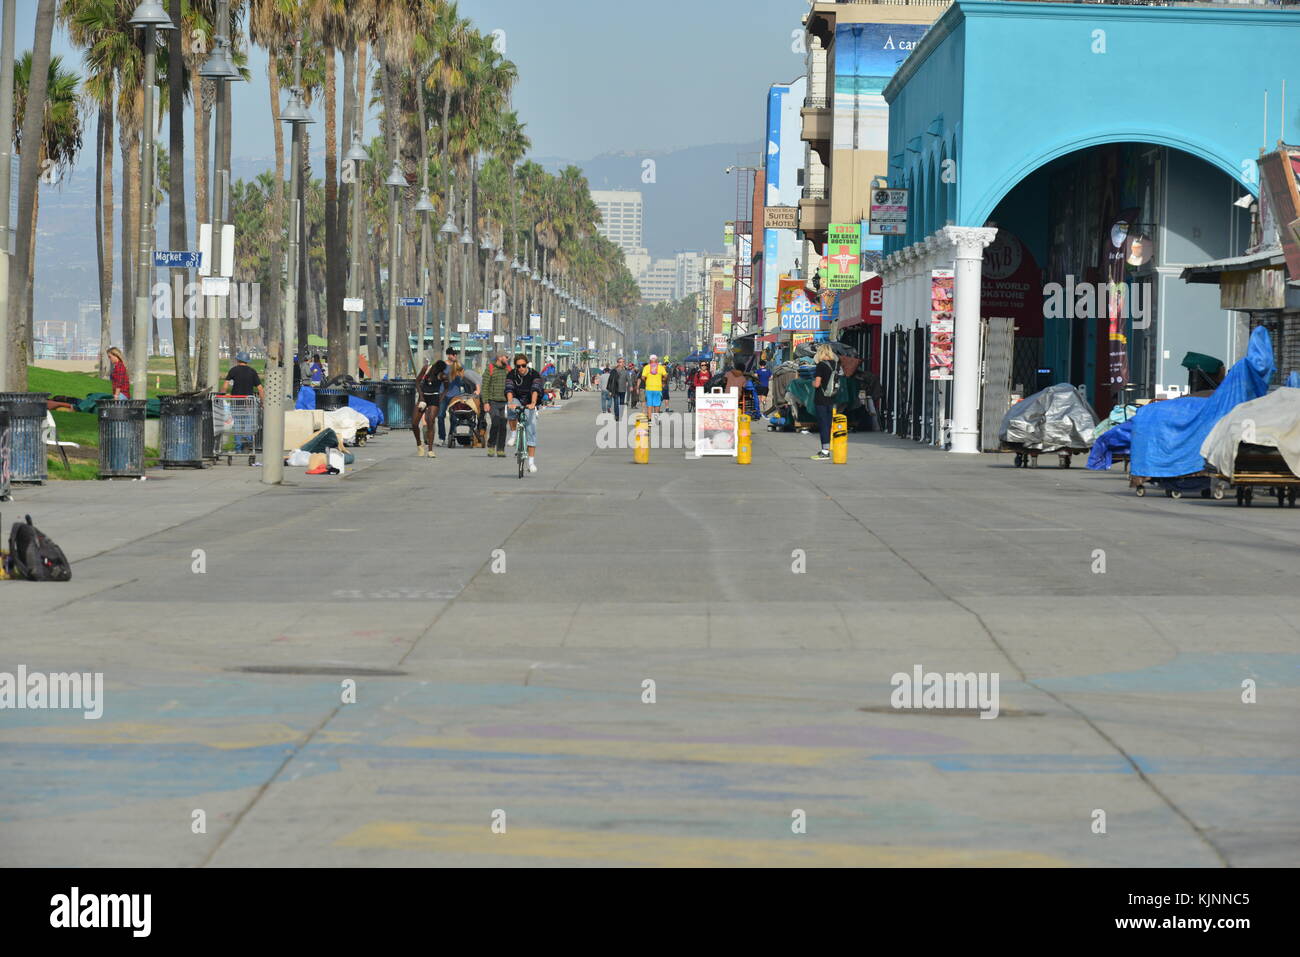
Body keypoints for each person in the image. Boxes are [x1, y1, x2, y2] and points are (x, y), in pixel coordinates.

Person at [505, 353, 543, 473]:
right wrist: (510, 402)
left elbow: (535, 390)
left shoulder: (534, 374)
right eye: (518, 366)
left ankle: (531, 463)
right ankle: (513, 434)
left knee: (531, 428)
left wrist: (532, 403)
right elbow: (509, 389)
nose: (521, 368)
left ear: (527, 364)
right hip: (516, 399)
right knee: (510, 407)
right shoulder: (511, 374)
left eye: (523, 365)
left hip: (530, 400)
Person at [810, 344, 839, 460]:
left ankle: (825, 452)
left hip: (821, 398)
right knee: (828, 424)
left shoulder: (821, 365)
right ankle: (826, 449)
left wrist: (812, 383)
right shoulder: (835, 364)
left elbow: (817, 384)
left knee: (823, 425)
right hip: (831, 398)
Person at [481, 352, 510, 457]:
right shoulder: (490, 368)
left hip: (505, 402)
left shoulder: (508, 370)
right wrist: (485, 402)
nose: (507, 359)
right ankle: (491, 445)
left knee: (503, 425)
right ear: (499, 357)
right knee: (496, 422)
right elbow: (485, 386)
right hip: (493, 402)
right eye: (506, 357)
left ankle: (501, 449)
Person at [413, 359, 440, 457]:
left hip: (434, 398)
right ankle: (419, 443)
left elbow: (446, 387)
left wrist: (440, 398)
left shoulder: (442, 374)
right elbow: (417, 381)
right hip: (423, 397)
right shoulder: (426, 368)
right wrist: (421, 396)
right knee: (414, 423)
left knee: (430, 421)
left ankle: (430, 450)